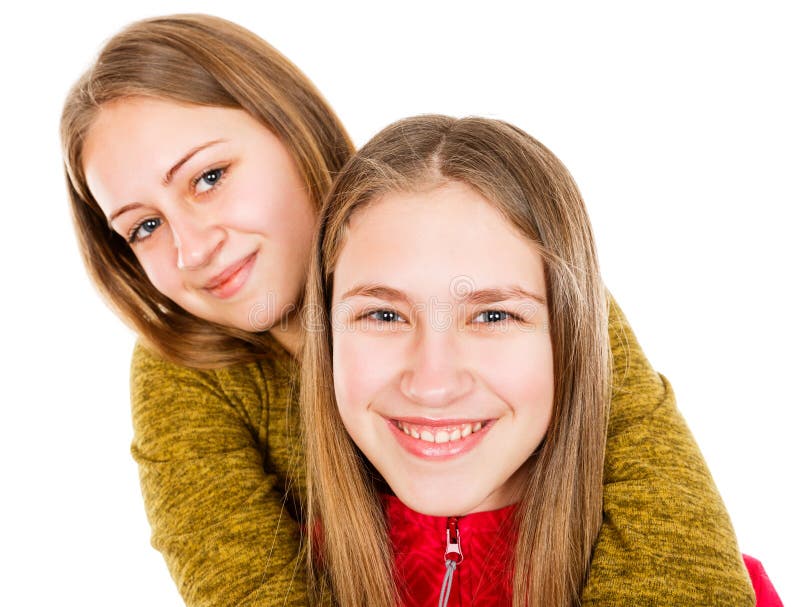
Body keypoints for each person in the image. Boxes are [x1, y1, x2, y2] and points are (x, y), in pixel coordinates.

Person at [61, 14, 755, 606]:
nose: (192, 248)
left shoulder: (481, 228)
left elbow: (678, 547)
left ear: (289, 125)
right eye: (144, 226)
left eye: (209, 178)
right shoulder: (185, 370)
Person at [302, 115, 780, 606]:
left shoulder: (726, 588)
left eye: (492, 316)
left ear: (570, 337)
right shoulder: (262, 574)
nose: (433, 383)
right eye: (384, 315)